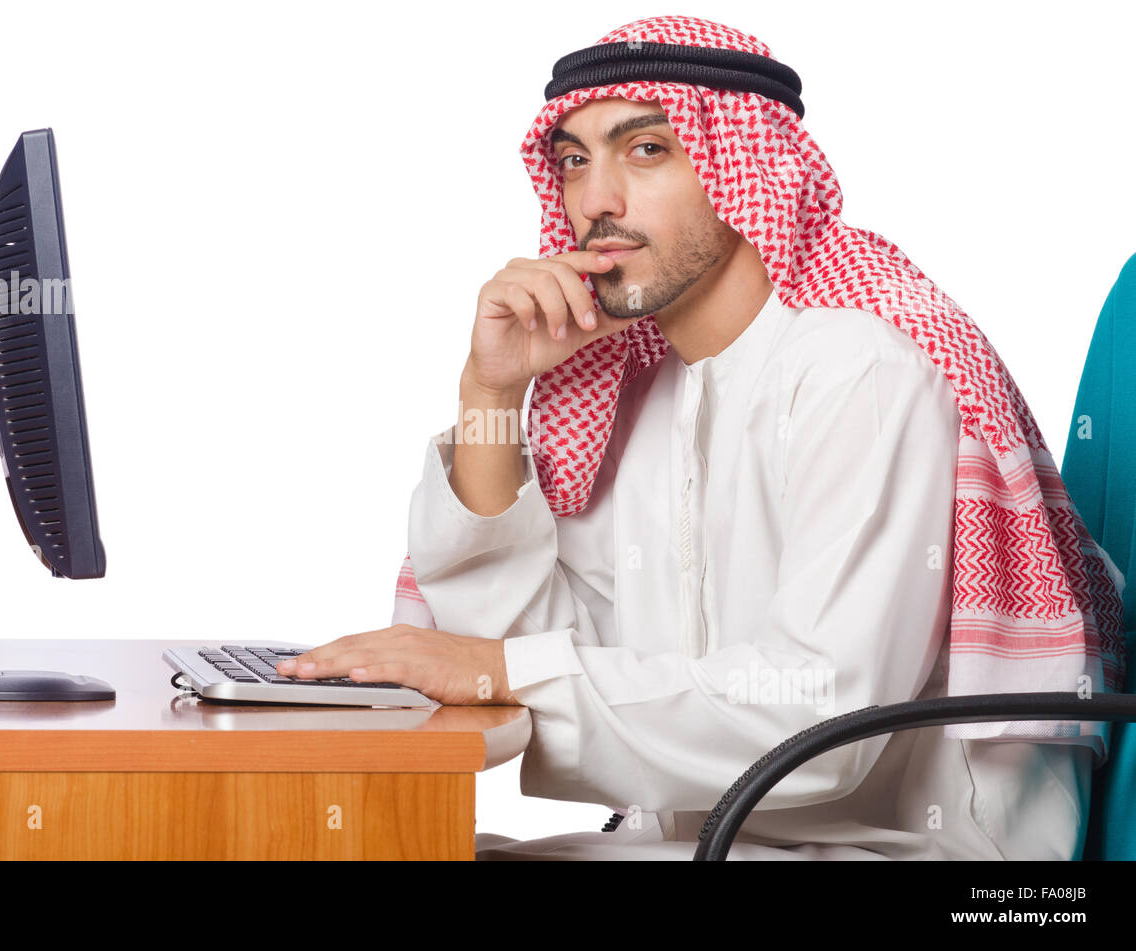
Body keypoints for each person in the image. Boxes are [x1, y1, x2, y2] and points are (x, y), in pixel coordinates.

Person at [279, 15, 1127, 860]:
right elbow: (516, 643)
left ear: (744, 168)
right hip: (719, 840)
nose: (594, 200)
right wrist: (492, 389)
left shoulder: (858, 367)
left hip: (917, 856)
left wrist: (495, 672)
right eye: (574, 159)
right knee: (373, 848)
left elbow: (818, 717)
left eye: (646, 150)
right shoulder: (648, 396)